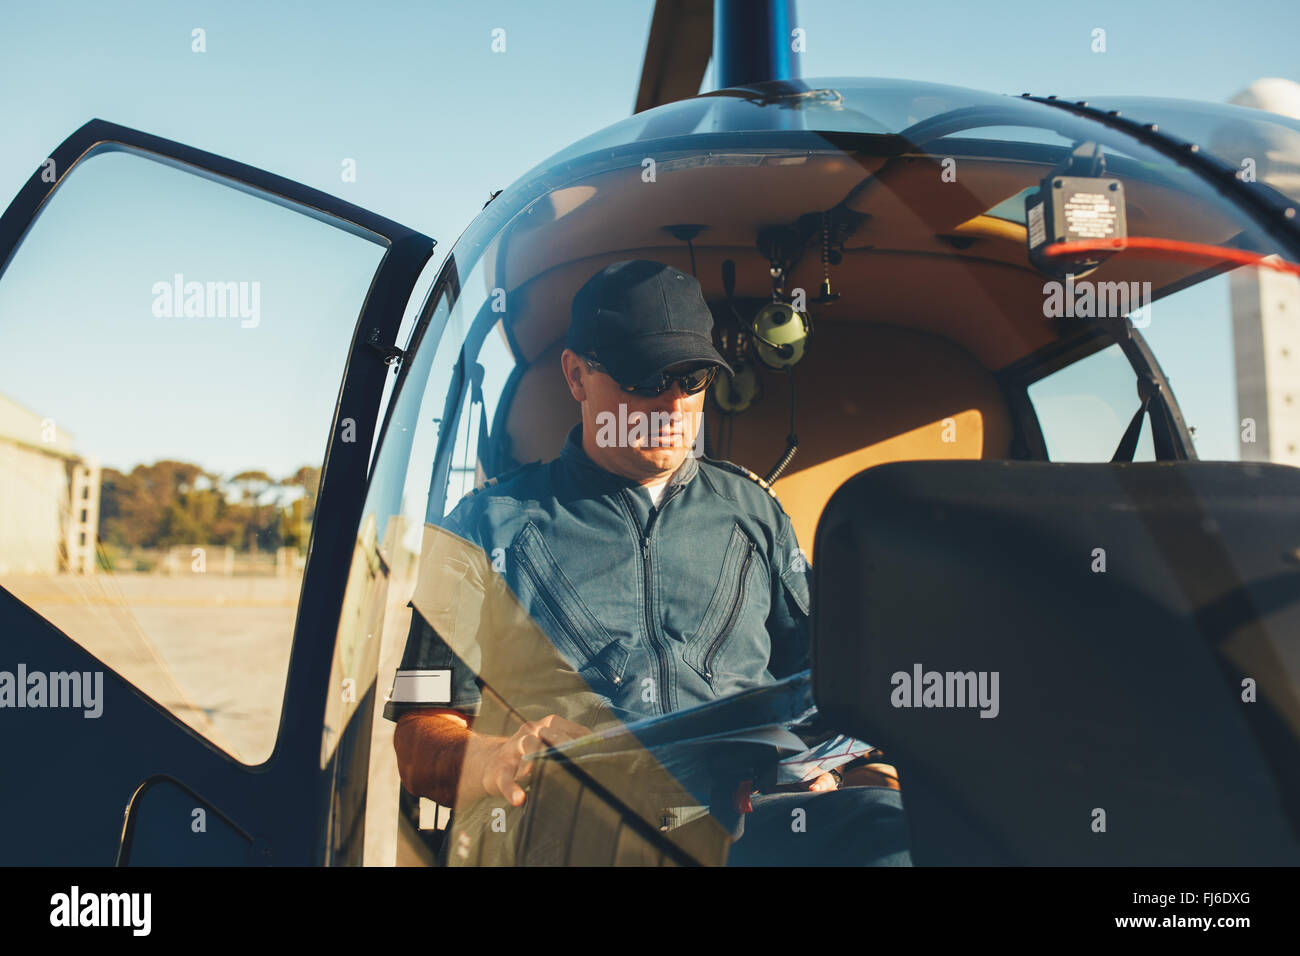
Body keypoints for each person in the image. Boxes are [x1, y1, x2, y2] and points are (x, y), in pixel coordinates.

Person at [385, 259, 909, 866]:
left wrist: (828, 765)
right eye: (643, 379)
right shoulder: (483, 525)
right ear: (576, 376)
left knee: (891, 829)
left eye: (692, 378)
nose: (673, 404)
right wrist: (497, 757)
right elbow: (418, 739)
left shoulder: (756, 513)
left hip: (752, 822)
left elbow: (827, 686)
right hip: (577, 832)